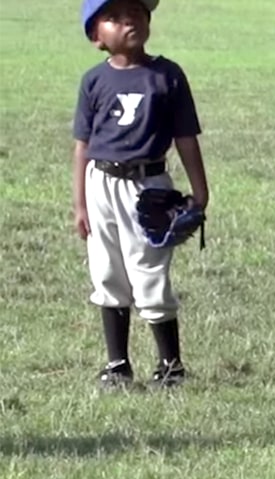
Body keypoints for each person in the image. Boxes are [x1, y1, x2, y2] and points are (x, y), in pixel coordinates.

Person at [72, 0, 209, 389]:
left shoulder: (167, 75)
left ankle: (170, 366)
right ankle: (117, 365)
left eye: (135, 11)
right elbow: (82, 145)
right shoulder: (94, 81)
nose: (128, 19)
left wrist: (200, 191)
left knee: (149, 271)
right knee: (107, 271)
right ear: (96, 37)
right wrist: (80, 203)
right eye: (113, 17)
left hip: (148, 187)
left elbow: (186, 137)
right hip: (100, 183)